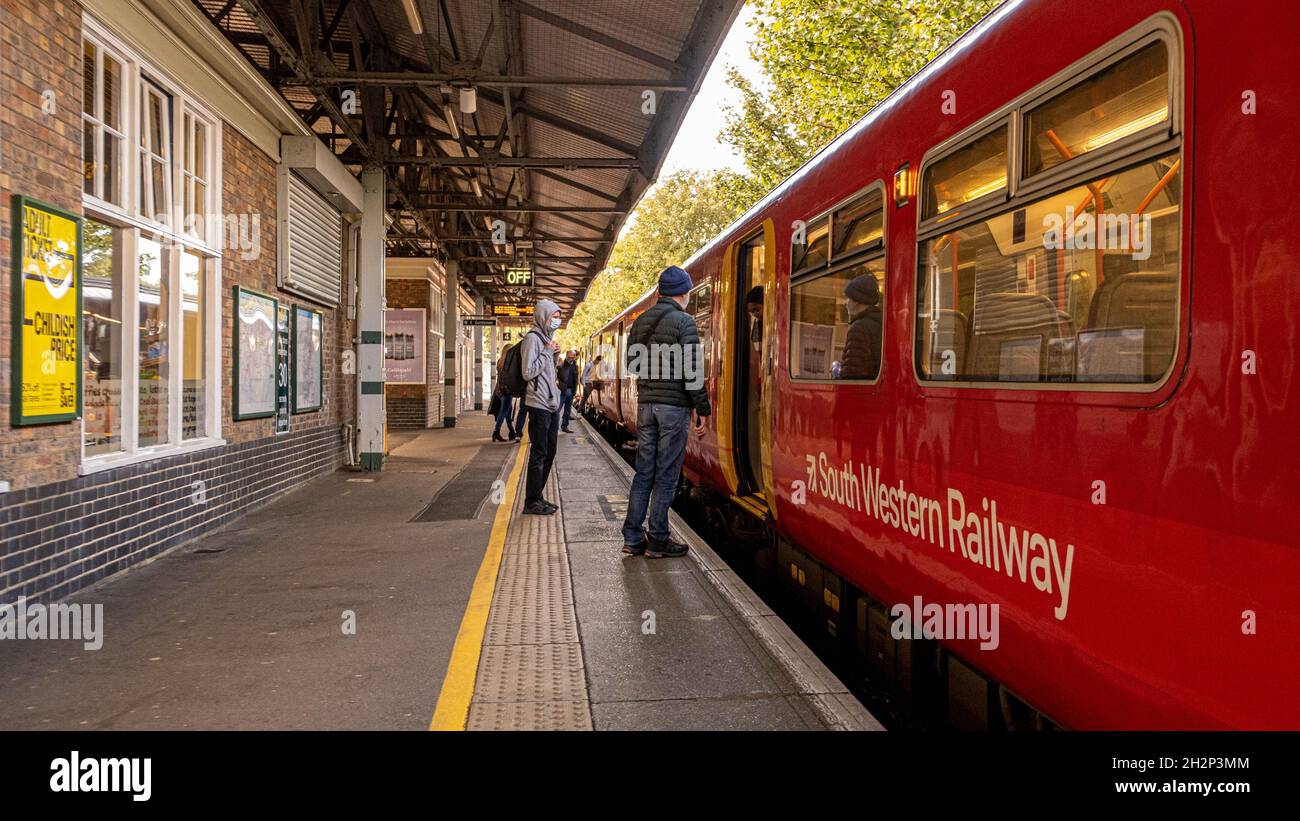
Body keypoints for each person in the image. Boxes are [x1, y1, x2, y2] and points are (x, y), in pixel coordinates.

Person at [621, 265, 710, 558]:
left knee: (644, 472)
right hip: (673, 409)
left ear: (660, 292)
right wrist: (702, 408)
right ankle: (658, 538)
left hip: (646, 405)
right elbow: (692, 369)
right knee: (667, 475)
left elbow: (632, 365)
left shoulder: (641, 321)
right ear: (684, 293)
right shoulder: (684, 322)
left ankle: (633, 538)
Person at [521, 299, 563, 515]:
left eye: (558, 317)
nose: (556, 320)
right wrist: (547, 352)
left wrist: (553, 355)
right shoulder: (532, 339)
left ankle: (538, 495)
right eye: (553, 317)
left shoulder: (546, 340)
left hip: (550, 404)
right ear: (542, 317)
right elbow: (527, 372)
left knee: (550, 451)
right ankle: (531, 501)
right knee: (539, 453)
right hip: (538, 404)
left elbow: (547, 373)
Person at [840, 273, 883, 380]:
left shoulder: (859, 328)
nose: (846, 303)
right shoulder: (879, 324)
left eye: (849, 298)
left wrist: (838, 372)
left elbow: (852, 373)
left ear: (857, 300)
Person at [491, 343, 518, 442]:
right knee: (503, 411)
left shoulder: (499, 361)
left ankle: (512, 432)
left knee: (508, 411)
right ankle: (496, 432)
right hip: (507, 390)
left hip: (499, 389)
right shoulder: (509, 363)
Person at [557, 350, 579, 432]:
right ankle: (554, 427)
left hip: (570, 390)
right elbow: (558, 376)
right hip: (562, 390)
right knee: (557, 410)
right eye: (570, 357)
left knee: (567, 411)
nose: (571, 359)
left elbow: (576, 379)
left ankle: (564, 426)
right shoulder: (561, 364)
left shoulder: (575, 366)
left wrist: (575, 391)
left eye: (573, 357)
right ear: (566, 355)